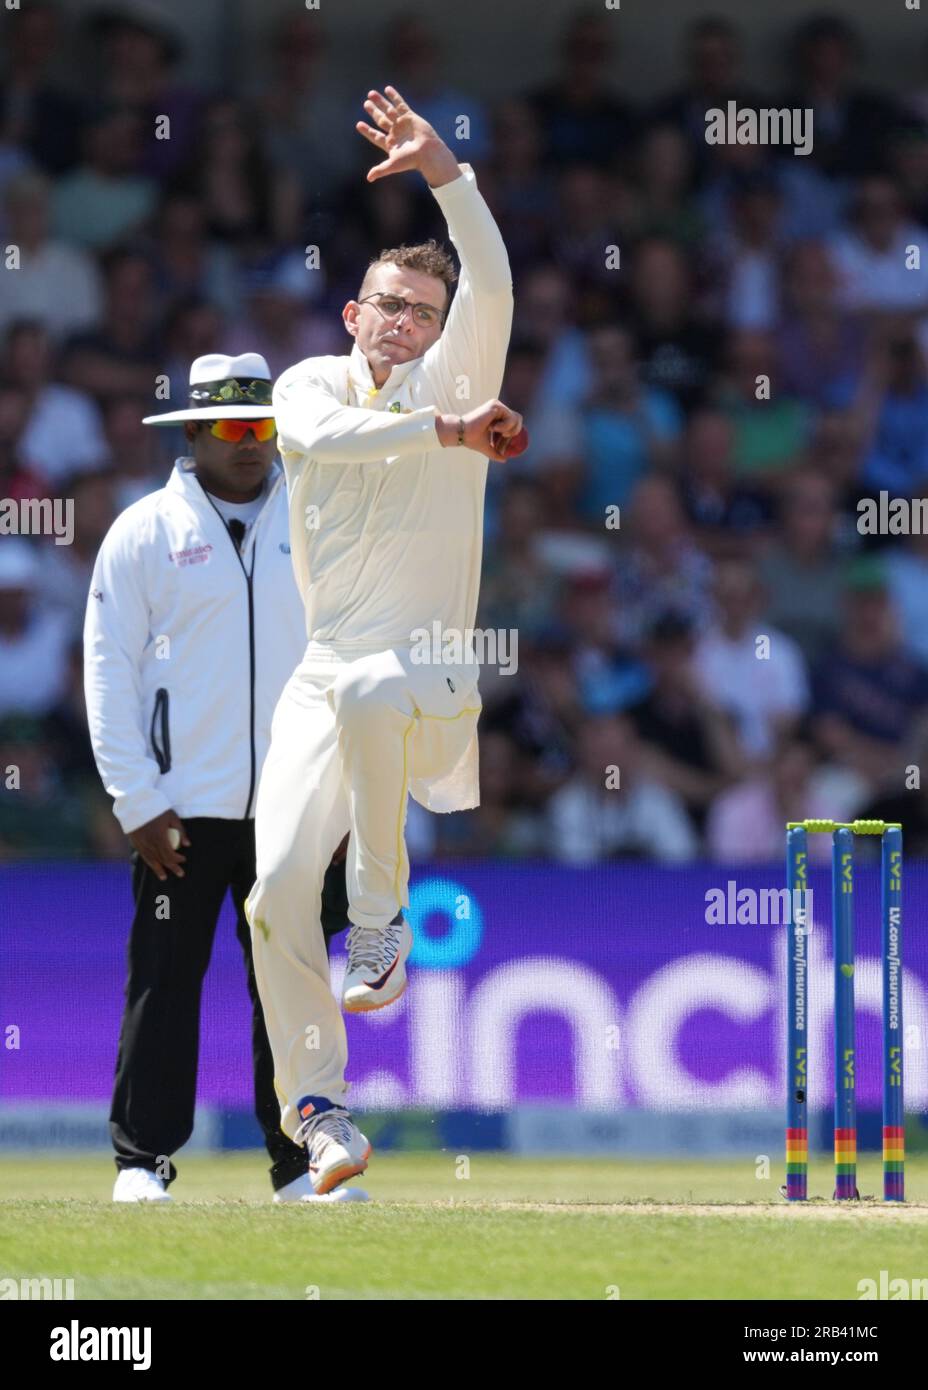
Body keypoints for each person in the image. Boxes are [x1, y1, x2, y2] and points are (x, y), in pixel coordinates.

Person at [245, 86, 519, 1196]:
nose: (403, 321)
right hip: (326, 679)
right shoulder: (308, 382)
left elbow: (491, 275)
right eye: (386, 304)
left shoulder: (463, 371)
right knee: (267, 893)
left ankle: (379, 919)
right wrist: (448, 432)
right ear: (352, 314)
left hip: (432, 674)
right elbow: (322, 436)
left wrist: (446, 173)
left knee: (370, 685)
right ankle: (318, 1112)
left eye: (421, 308)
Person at [83, 352, 349, 1204]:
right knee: (165, 981)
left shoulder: (313, 522)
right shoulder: (144, 532)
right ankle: (141, 1161)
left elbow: (347, 659)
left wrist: (343, 797)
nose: (251, 444)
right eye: (232, 428)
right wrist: (136, 799)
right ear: (193, 433)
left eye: (263, 427)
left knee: (292, 987)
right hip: (182, 808)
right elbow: (106, 671)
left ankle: (300, 1164)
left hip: (293, 804)